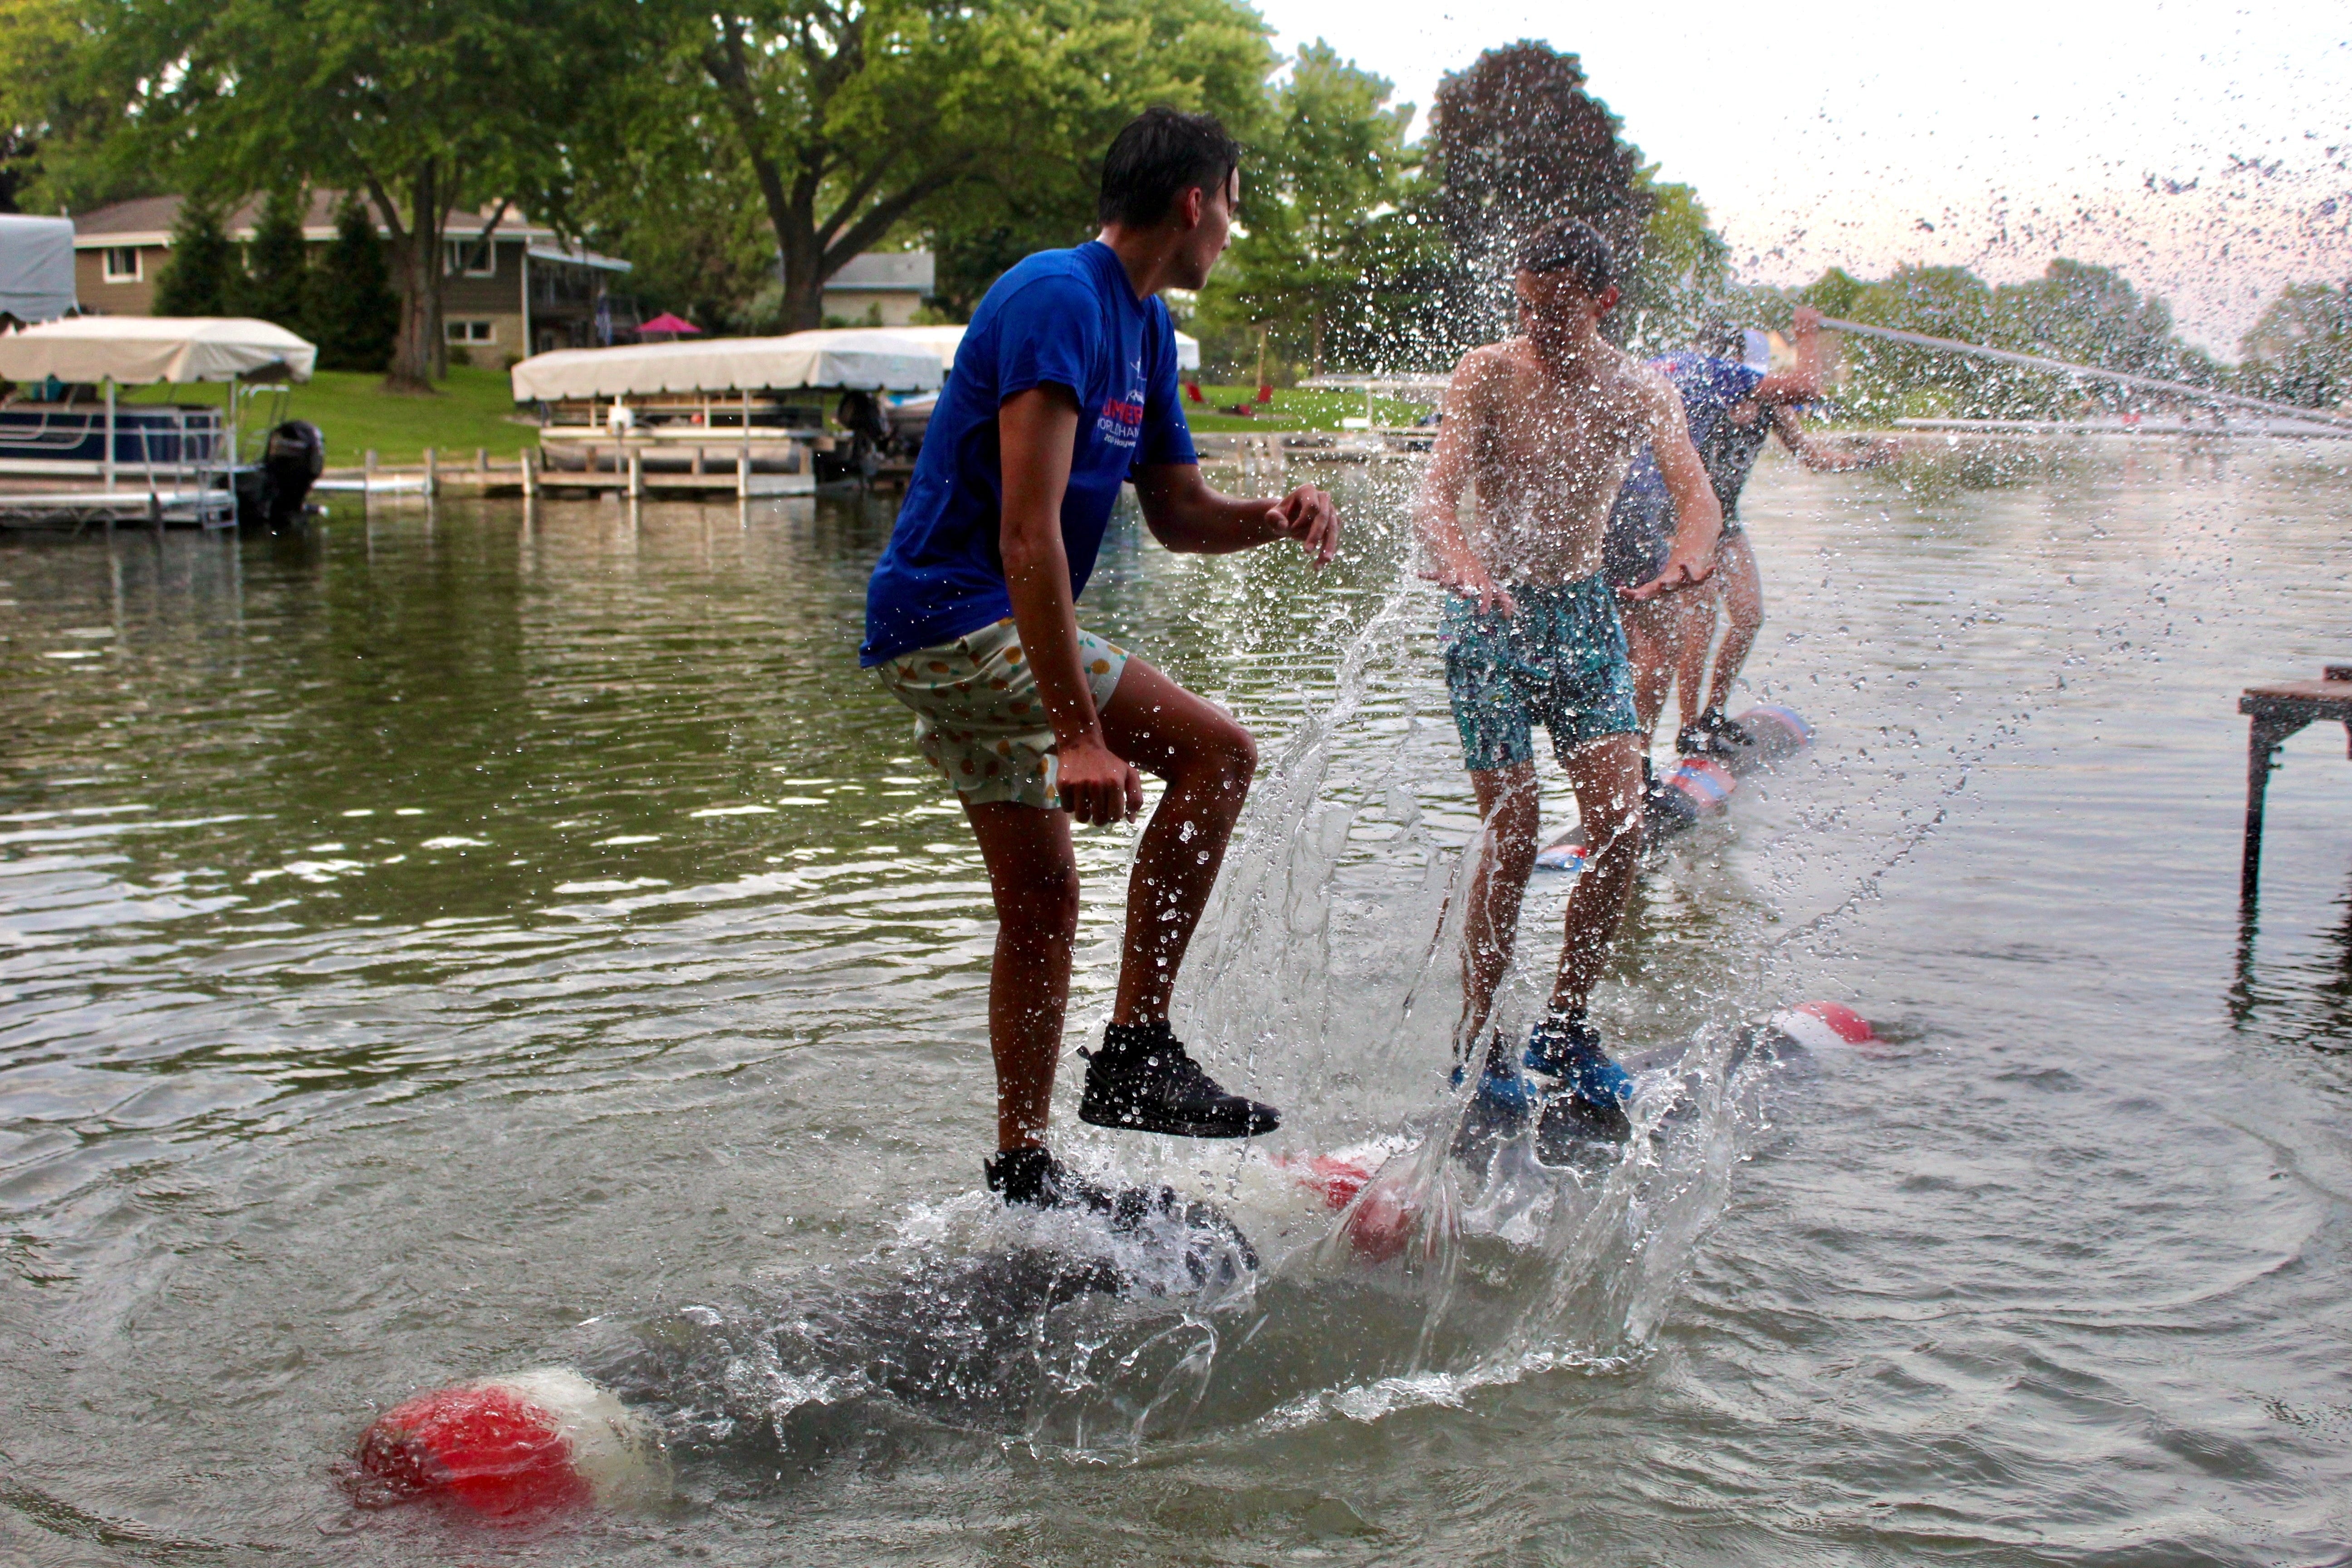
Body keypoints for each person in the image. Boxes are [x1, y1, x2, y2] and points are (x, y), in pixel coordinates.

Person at [861, 108, 1342, 1215]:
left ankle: (1022, 1169)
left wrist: (1273, 515)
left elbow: (1175, 514)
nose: (1234, 221)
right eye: (1232, 198)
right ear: (1193, 202)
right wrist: (1078, 733)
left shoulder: (1144, 334)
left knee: (1041, 901)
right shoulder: (1056, 298)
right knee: (1218, 755)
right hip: (958, 613)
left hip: (968, 625)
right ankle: (1135, 1045)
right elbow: (1024, 534)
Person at [1413, 218, 1724, 1140]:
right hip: (1487, 615)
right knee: (1512, 834)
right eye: (1526, 308)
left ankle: (1564, 1027)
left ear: (1602, 302)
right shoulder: (1488, 372)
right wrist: (1464, 560)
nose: (1539, 328)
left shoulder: (1637, 389)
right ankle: (1482, 1041)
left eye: (1557, 312)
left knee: (1621, 824)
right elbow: (1435, 493)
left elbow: (1695, 492)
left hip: (1582, 611)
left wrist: (1692, 553)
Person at [1603, 309, 1831, 764]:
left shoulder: (1739, 394)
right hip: (1668, 523)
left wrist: (1869, 457)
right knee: (1680, 633)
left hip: (1716, 524)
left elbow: (1814, 455)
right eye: (1751, 376)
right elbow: (1809, 383)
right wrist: (1807, 332)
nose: (1752, 386)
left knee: (1741, 618)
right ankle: (1665, 744)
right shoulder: (1707, 383)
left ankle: (1698, 722)